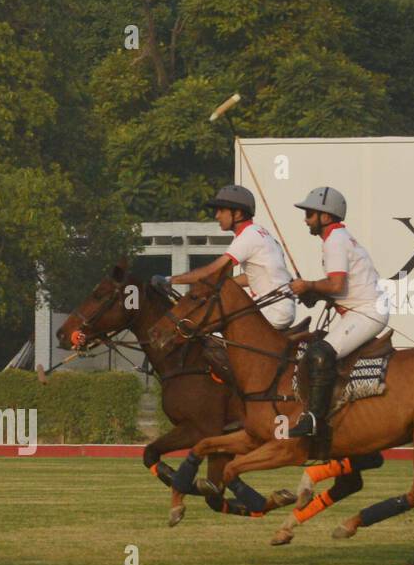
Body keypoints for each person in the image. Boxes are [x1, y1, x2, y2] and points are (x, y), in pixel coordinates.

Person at [286, 186, 391, 445]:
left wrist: (308, 286)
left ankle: (313, 419)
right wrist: (314, 294)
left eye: (310, 213)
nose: (305, 219)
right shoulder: (338, 239)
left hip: (366, 313)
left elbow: (335, 285)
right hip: (359, 311)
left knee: (320, 353)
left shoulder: (335, 241)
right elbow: (338, 289)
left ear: (326, 216)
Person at [158, 184, 296, 330]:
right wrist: (224, 285)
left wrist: (170, 280)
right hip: (279, 307)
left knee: (203, 330)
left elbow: (212, 272)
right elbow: (254, 277)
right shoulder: (260, 233)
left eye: (221, 210)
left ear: (237, 214)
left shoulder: (248, 237)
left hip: (272, 311)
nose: (217, 215)